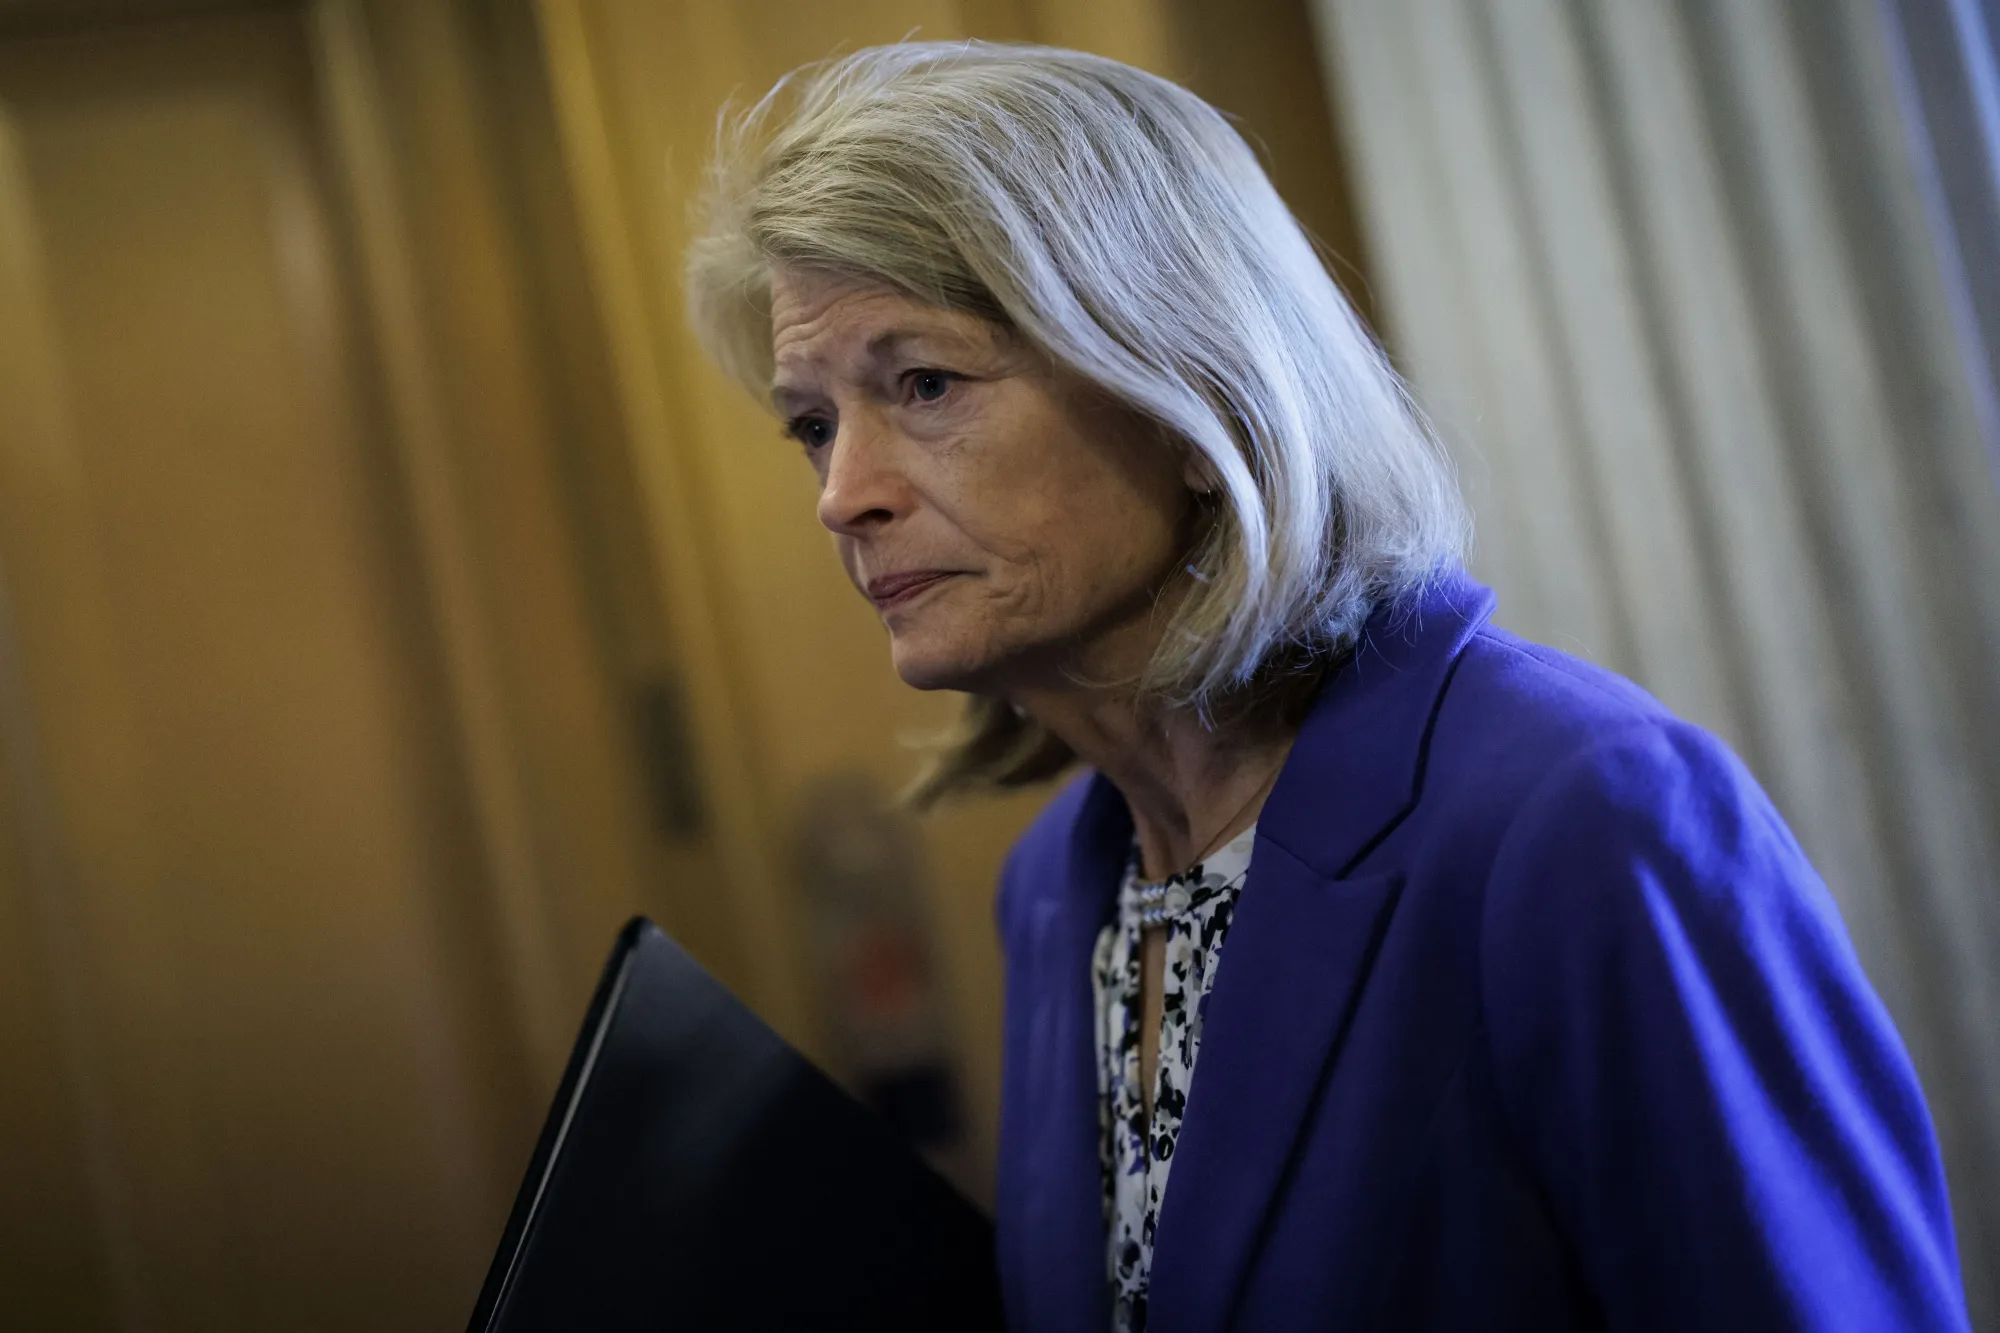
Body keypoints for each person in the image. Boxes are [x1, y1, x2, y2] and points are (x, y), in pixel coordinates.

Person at [684, 41, 1971, 1333]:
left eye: (924, 384)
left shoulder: (1587, 820)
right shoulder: (1055, 891)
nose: (844, 493)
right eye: (815, 424)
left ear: (1193, 395)